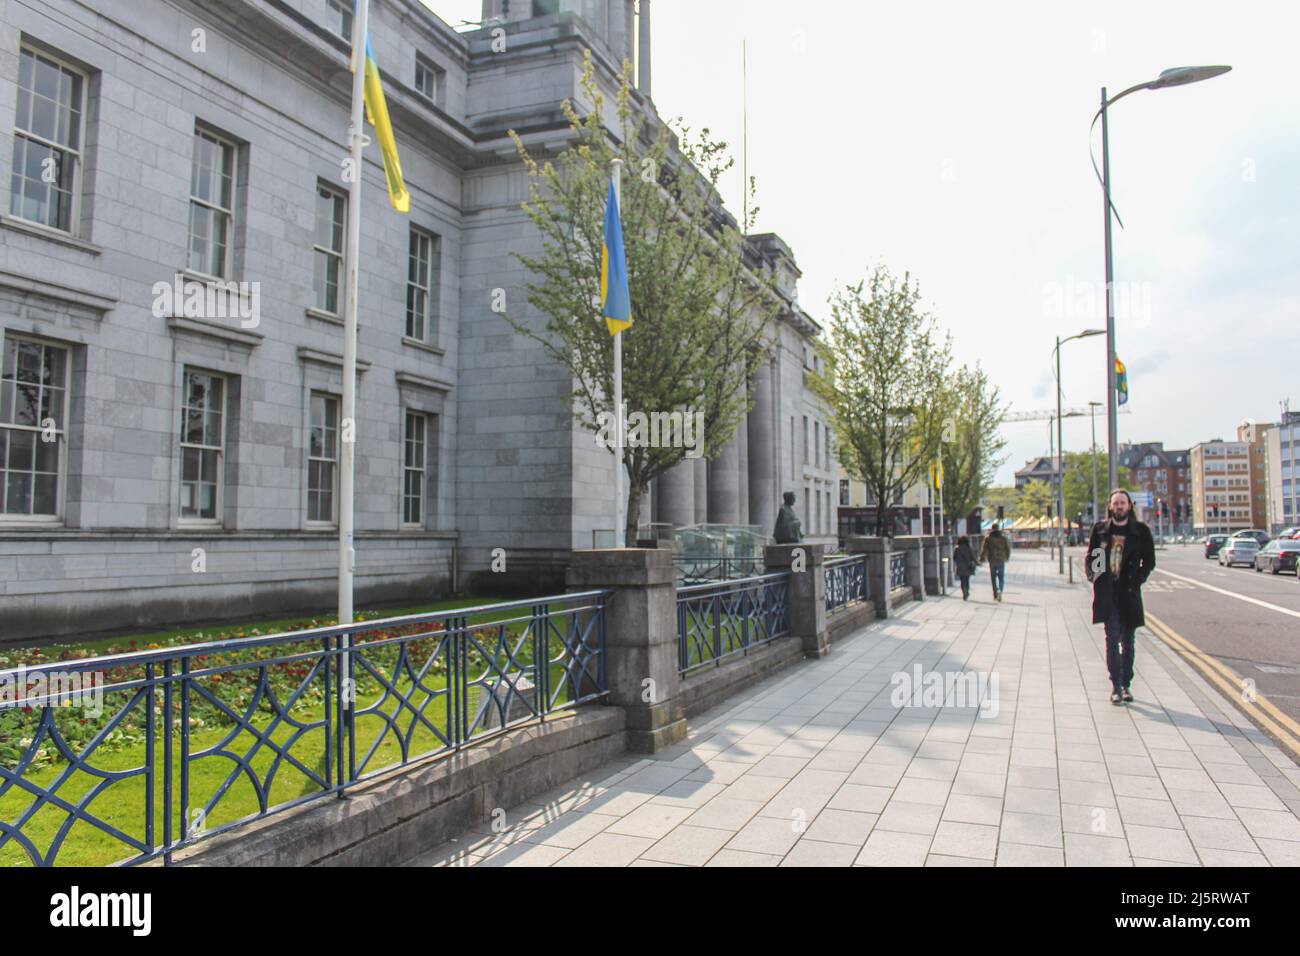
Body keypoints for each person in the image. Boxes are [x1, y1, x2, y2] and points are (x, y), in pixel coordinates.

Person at [1086, 488, 1156, 705]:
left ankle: (1126, 684)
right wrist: (1095, 576)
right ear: (1110, 506)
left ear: (1129, 506)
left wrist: (1138, 580)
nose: (1119, 507)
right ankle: (1115, 685)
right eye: (1115, 503)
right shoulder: (1101, 531)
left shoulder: (1140, 531)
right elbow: (1094, 556)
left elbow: (1149, 561)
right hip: (1108, 593)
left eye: (1122, 503)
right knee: (1111, 639)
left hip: (1129, 594)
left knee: (1128, 641)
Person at [979, 522, 1011, 601]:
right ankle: (1000, 590)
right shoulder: (1003, 538)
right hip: (1001, 559)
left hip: (992, 559)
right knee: (1001, 577)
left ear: (992, 528)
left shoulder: (988, 538)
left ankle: (995, 593)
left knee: (993, 578)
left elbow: (984, 549)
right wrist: (1007, 557)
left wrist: (982, 558)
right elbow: (1008, 548)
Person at [953, 536, 976, 600]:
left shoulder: (957, 548)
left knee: (962, 581)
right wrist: (977, 562)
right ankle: (967, 591)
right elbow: (973, 557)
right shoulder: (969, 548)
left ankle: (964, 592)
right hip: (968, 566)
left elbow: (954, 557)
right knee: (967, 580)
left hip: (960, 567)